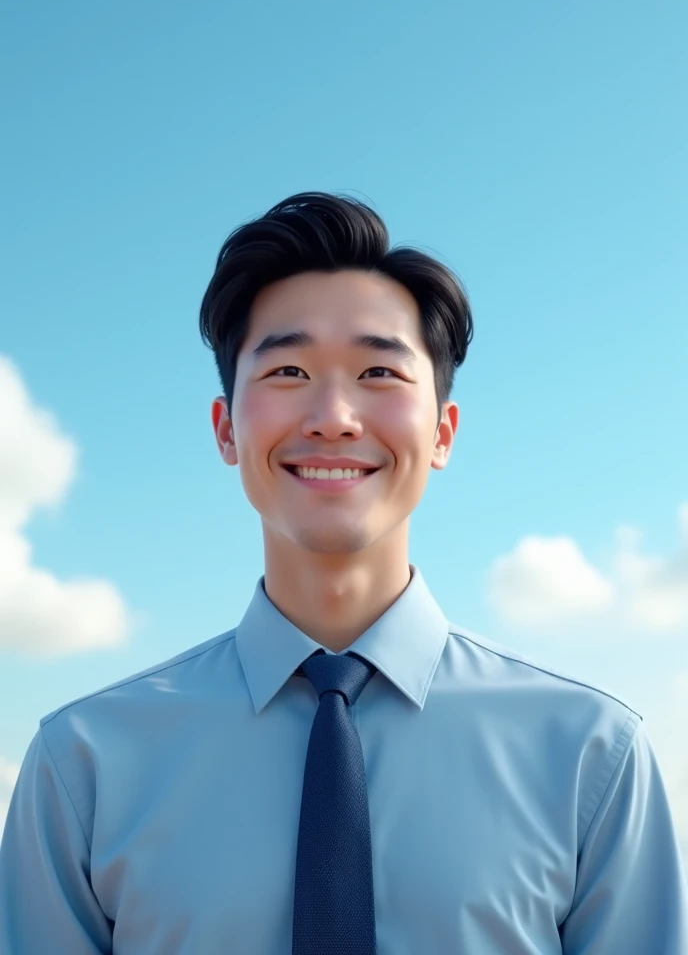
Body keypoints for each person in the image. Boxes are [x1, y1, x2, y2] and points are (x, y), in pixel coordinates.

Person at [1, 191, 686, 953]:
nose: (334, 415)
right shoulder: (83, 766)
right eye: (289, 369)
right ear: (227, 428)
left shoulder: (592, 755)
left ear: (442, 433)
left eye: (379, 373)